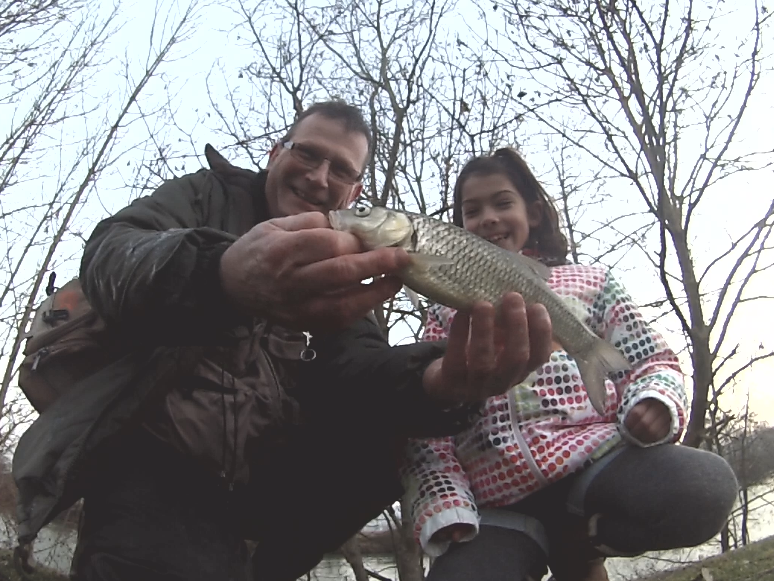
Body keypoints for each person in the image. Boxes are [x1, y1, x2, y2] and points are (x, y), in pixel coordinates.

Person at [12, 102, 555, 581]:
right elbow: (111, 255)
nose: (320, 178)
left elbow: (360, 370)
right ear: (275, 153)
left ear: (356, 190)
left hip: (275, 486)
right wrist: (219, 276)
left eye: (341, 170)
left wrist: (439, 383)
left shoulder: (347, 256)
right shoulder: (207, 194)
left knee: (400, 432)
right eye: (307, 154)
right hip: (156, 458)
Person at [400, 148, 739, 581]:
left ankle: (583, 544)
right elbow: (426, 429)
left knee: (705, 487)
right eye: (472, 210)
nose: (487, 218)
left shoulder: (591, 283)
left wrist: (654, 401)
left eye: (502, 203)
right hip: (495, 507)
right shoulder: (443, 316)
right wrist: (445, 506)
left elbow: (652, 358)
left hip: (594, 467)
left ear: (534, 213)